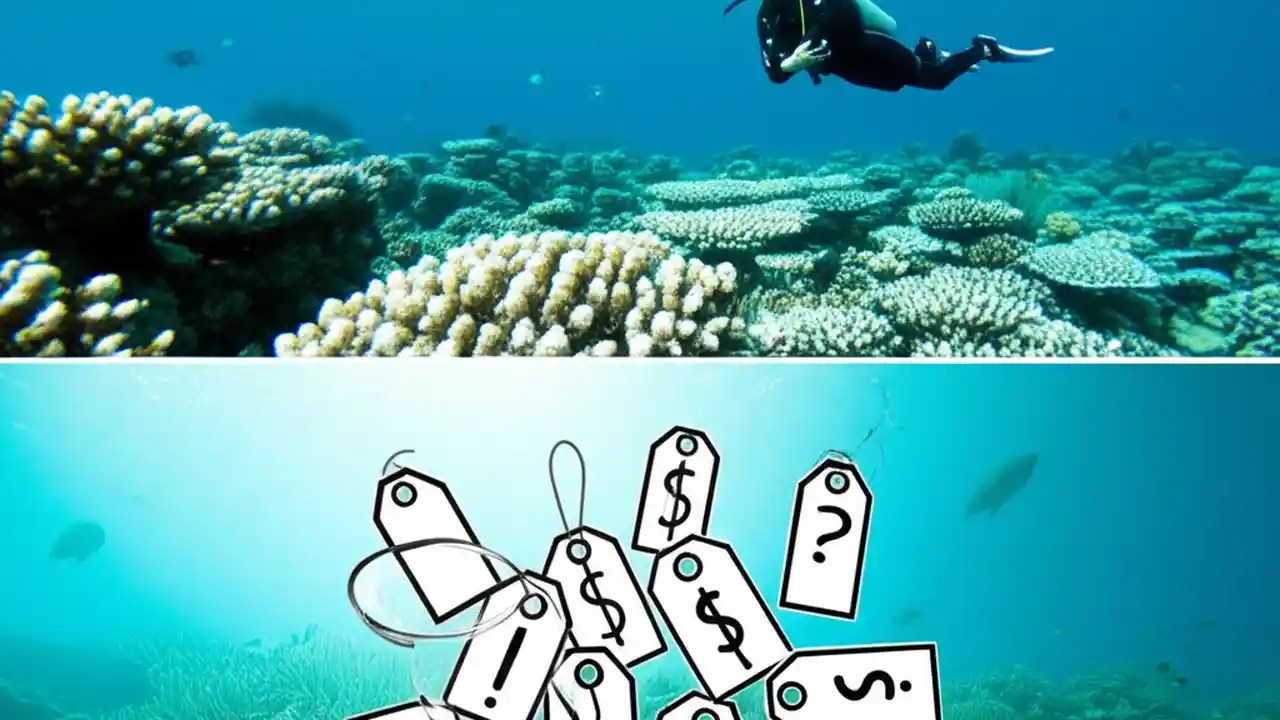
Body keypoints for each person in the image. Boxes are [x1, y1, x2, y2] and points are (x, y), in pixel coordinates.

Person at [725, 0, 1053, 92]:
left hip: (867, 48)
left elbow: (846, 17)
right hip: (844, 69)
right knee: (903, 82)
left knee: (934, 81)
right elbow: (773, 71)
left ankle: (984, 48)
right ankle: (927, 49)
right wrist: (789, 64)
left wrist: (813, 41)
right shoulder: (767, 16)